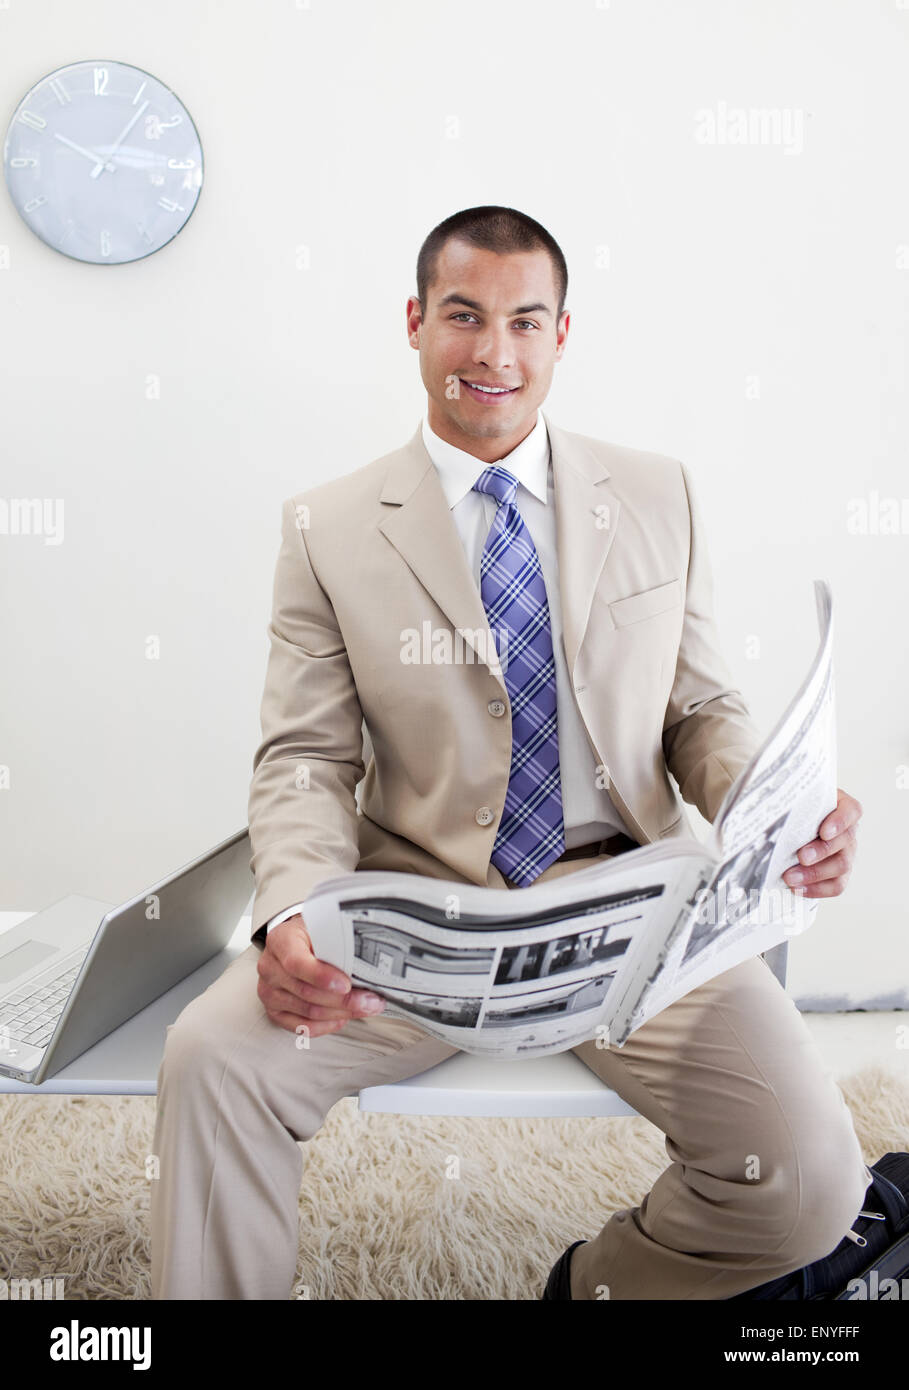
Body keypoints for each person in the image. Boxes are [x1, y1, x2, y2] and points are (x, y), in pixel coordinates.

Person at [150, 204, 868, 1301]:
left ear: (563, 334)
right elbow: (303, 757)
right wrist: (292, 905)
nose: (495, 353)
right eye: (464, 316)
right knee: (211, 1060)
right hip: (416, 913)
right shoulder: (328, 526)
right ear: (415, 323)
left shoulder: (659, 492)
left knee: (812, 1176)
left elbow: (702, 709)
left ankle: (593, 1291)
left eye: (526, 321)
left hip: (634, 905)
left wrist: (777, 806)